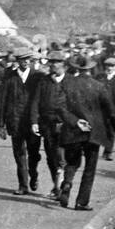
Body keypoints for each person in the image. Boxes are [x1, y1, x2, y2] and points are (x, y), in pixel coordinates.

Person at [55, 54, 115, 211]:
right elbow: (111, 112)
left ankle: (66, 184)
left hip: (73, 131)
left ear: (76, 68)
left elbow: (60, 107)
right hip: (93, 133)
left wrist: (75, 121)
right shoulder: (99, 86)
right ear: (91, 68)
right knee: (89, 168)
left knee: (72, 163)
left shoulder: (67, 84)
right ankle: (81, 202)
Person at [0, 46, 42, 195]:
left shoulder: (38, 76)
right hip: (15, 122)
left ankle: (34, 173)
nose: (25, 62)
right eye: (22, 59)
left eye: (27, 59)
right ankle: (23, 185)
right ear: (17, 61)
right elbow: (3, 101)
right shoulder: (9, 77)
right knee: (19, 154)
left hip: (33, 123)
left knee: (34, 154)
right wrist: (1, 123)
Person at [30, 51, 70, 199]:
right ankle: (56, 186)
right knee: (50, 155)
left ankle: (63, 186)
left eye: (56, 62)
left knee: (61, 155)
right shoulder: (44, 81)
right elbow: (35, 102)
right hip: (47, 125)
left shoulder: (70, 81)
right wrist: (34, 121)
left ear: (63, 65)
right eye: (51, 62)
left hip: (65, 124)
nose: (53, 65)